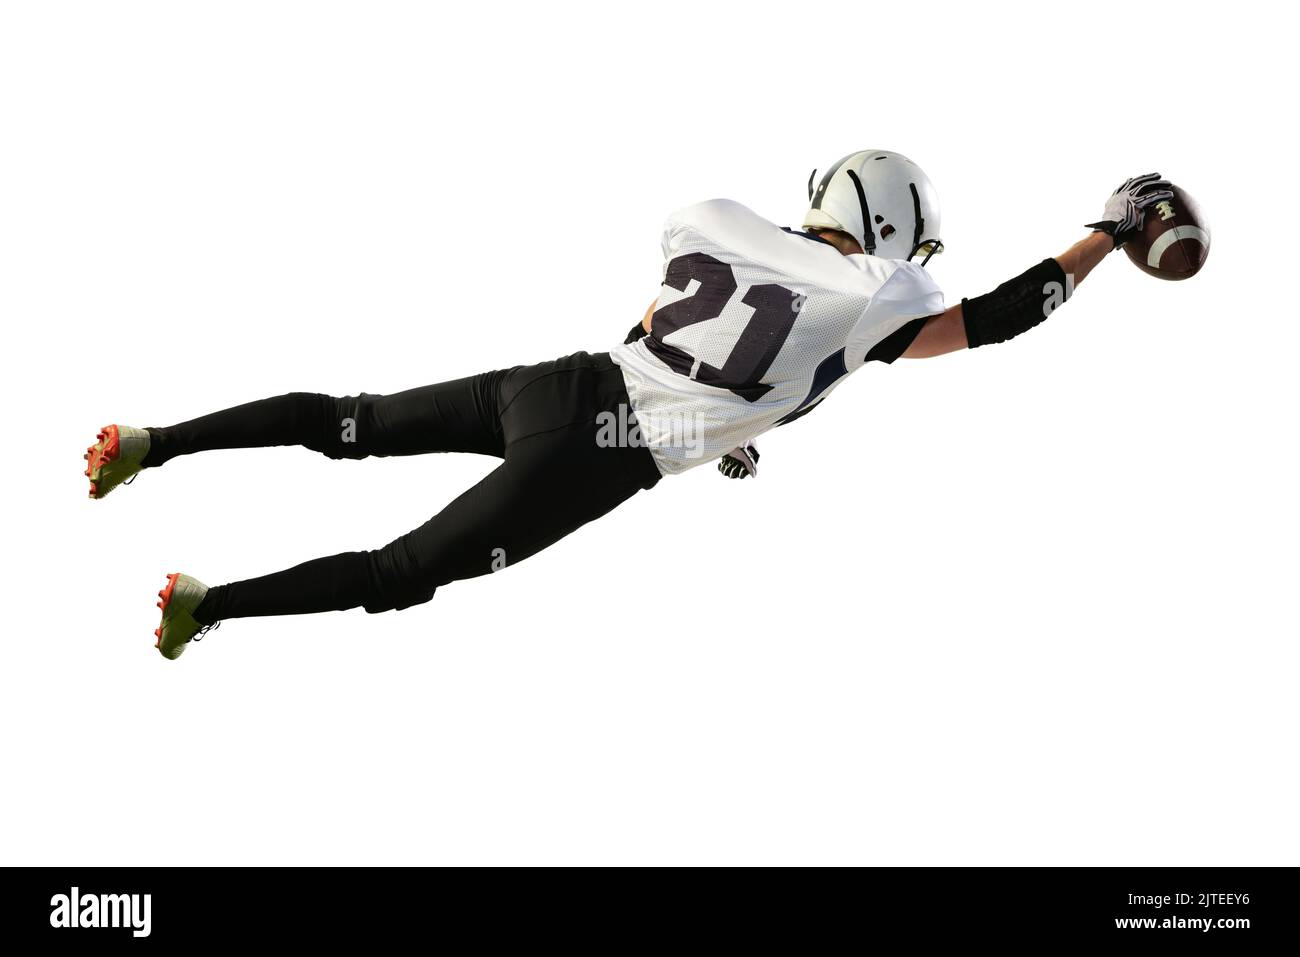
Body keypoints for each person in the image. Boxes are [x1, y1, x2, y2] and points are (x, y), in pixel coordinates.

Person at [83, 150, 1173, 659]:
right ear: (893, 230)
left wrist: (734, 430)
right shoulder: (875, 295)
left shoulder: (718, 215)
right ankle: (206, 606)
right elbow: (994, 319)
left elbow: (676, 339)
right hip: (601, 454)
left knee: (349, 421)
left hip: (559, 386)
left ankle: (156, 441)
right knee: (398, 574)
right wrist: (1109, 234)